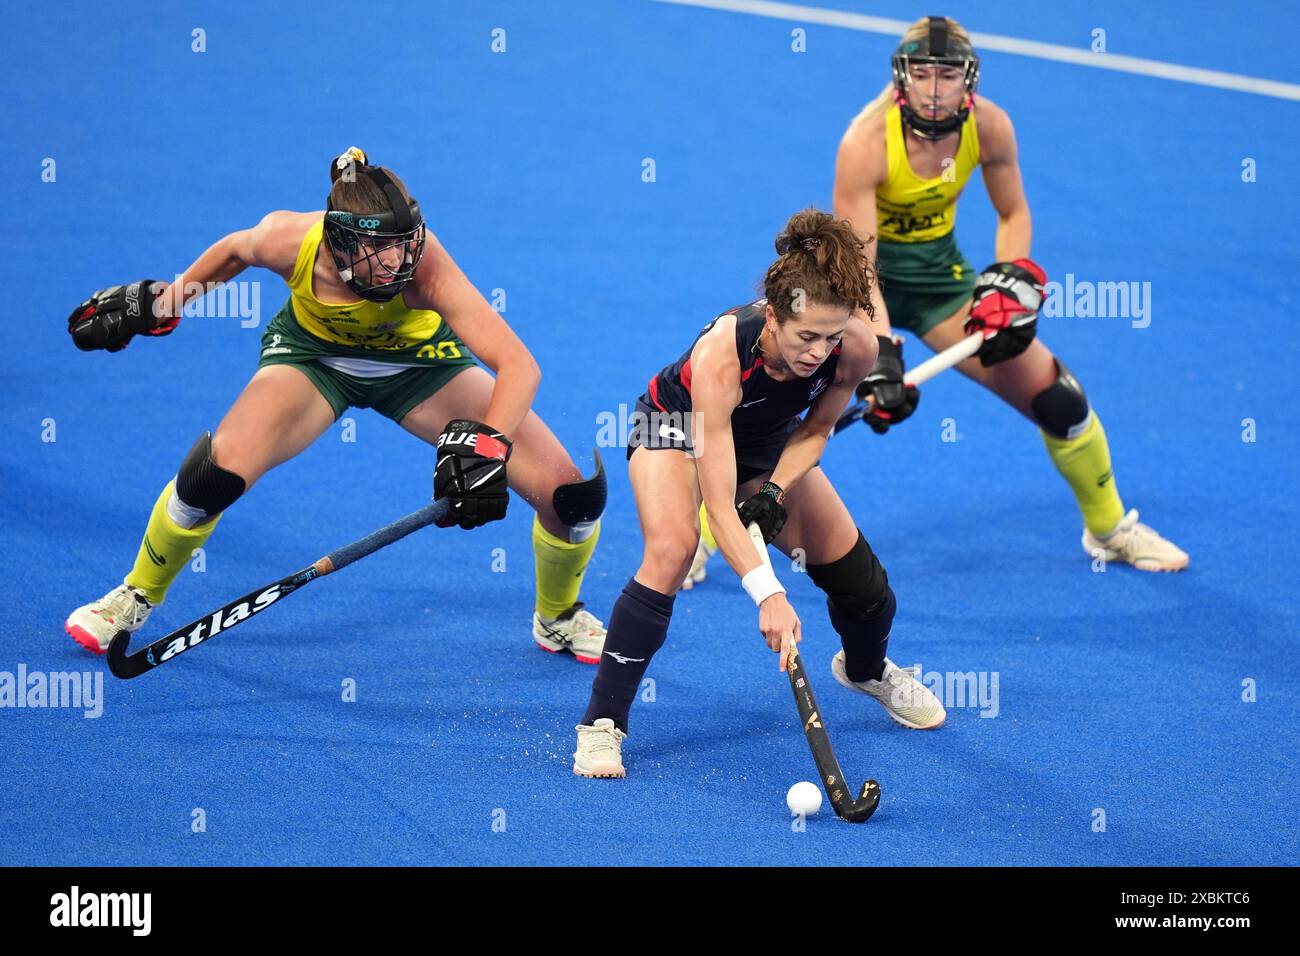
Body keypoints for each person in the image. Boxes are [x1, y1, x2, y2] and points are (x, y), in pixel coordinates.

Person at [686, 16, 1187, 585]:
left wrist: (1009, 280)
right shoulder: (866, 143)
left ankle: (1108, 528)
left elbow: (1013, 212)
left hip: (942, 286)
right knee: (776, 415)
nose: (932, 89)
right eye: (921, 74)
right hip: (854, 291)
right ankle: (706, 528)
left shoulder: (991, 128)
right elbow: (859, 263)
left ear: (967, 80)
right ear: (901, 78)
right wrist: (878, 349)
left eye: (945, 75)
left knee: (1058, 400)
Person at [64, 147, 608, 662]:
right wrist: (169, 302)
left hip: (419, 367)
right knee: (212, 477)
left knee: (572, 497)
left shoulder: (426, 268)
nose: (398, 261)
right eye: (382, 250)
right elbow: (234, 250)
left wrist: (487, 446)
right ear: (340, 243)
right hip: (313, 361)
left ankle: (558, 614)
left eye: (405, 243)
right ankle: (135, 594)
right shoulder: (289, 238)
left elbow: (519, 365)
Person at [573, 209, 946, 780]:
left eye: (832, 336)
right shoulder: (724, 353)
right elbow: (720, 503)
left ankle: (866, 670)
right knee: (674, 548)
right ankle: (603, 723)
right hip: (675, 425)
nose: (819, 352)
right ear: (773, 317)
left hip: (765, 440)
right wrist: (768, 593)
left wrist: (774, 489)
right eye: (806, 336)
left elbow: (816, 430)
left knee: (864, 586)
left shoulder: (857, 348)